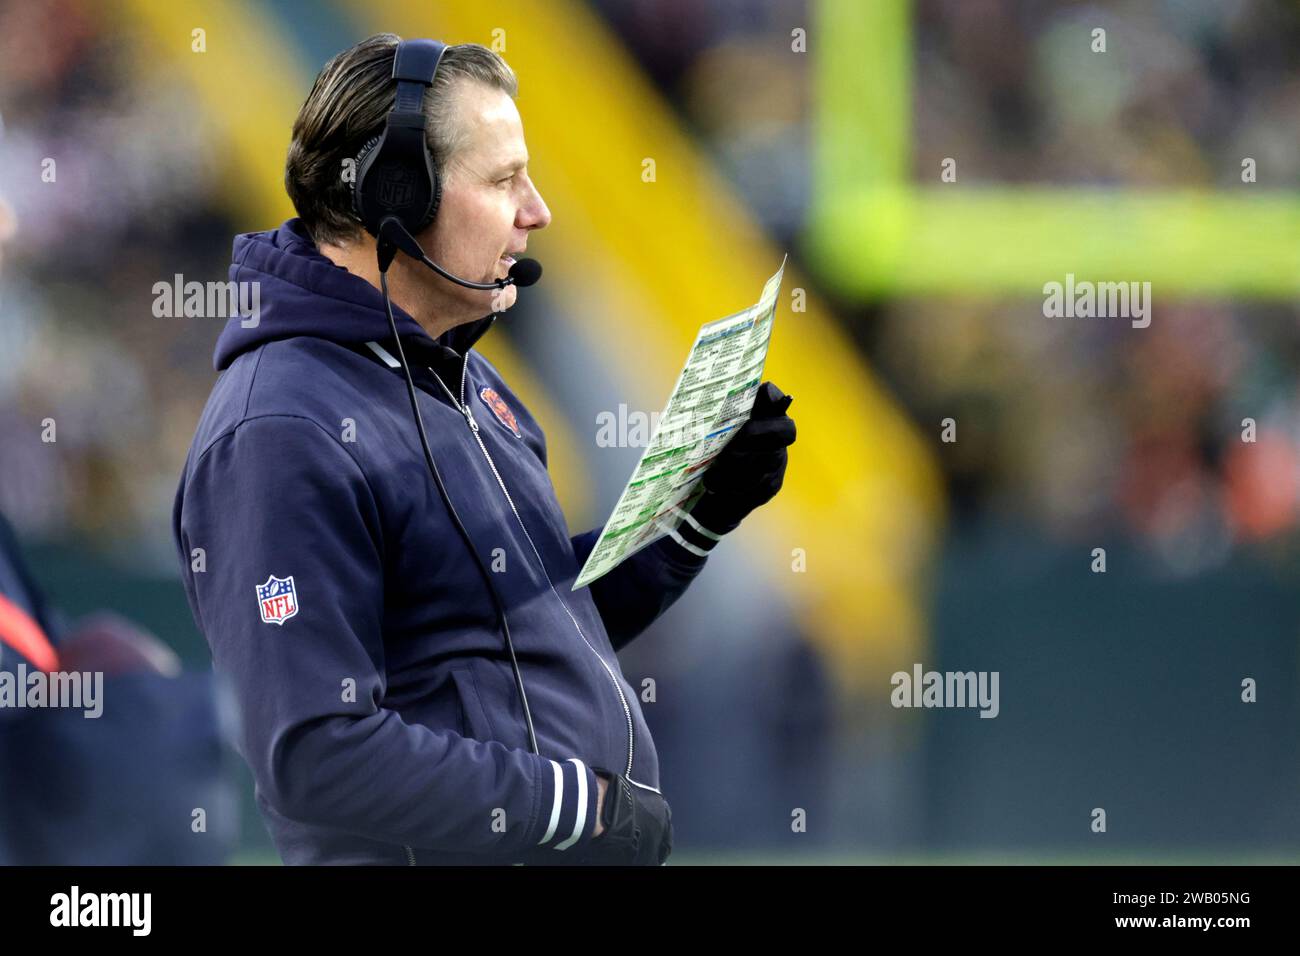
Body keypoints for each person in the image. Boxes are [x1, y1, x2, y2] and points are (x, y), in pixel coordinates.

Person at [171, 33, 795, 865]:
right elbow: (315, 752)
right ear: (396, 195)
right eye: (503, 180)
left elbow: (533, 633)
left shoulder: (462, 380)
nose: (536, 211)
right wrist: (577, 808)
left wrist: (692, 515)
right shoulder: (280, 432)